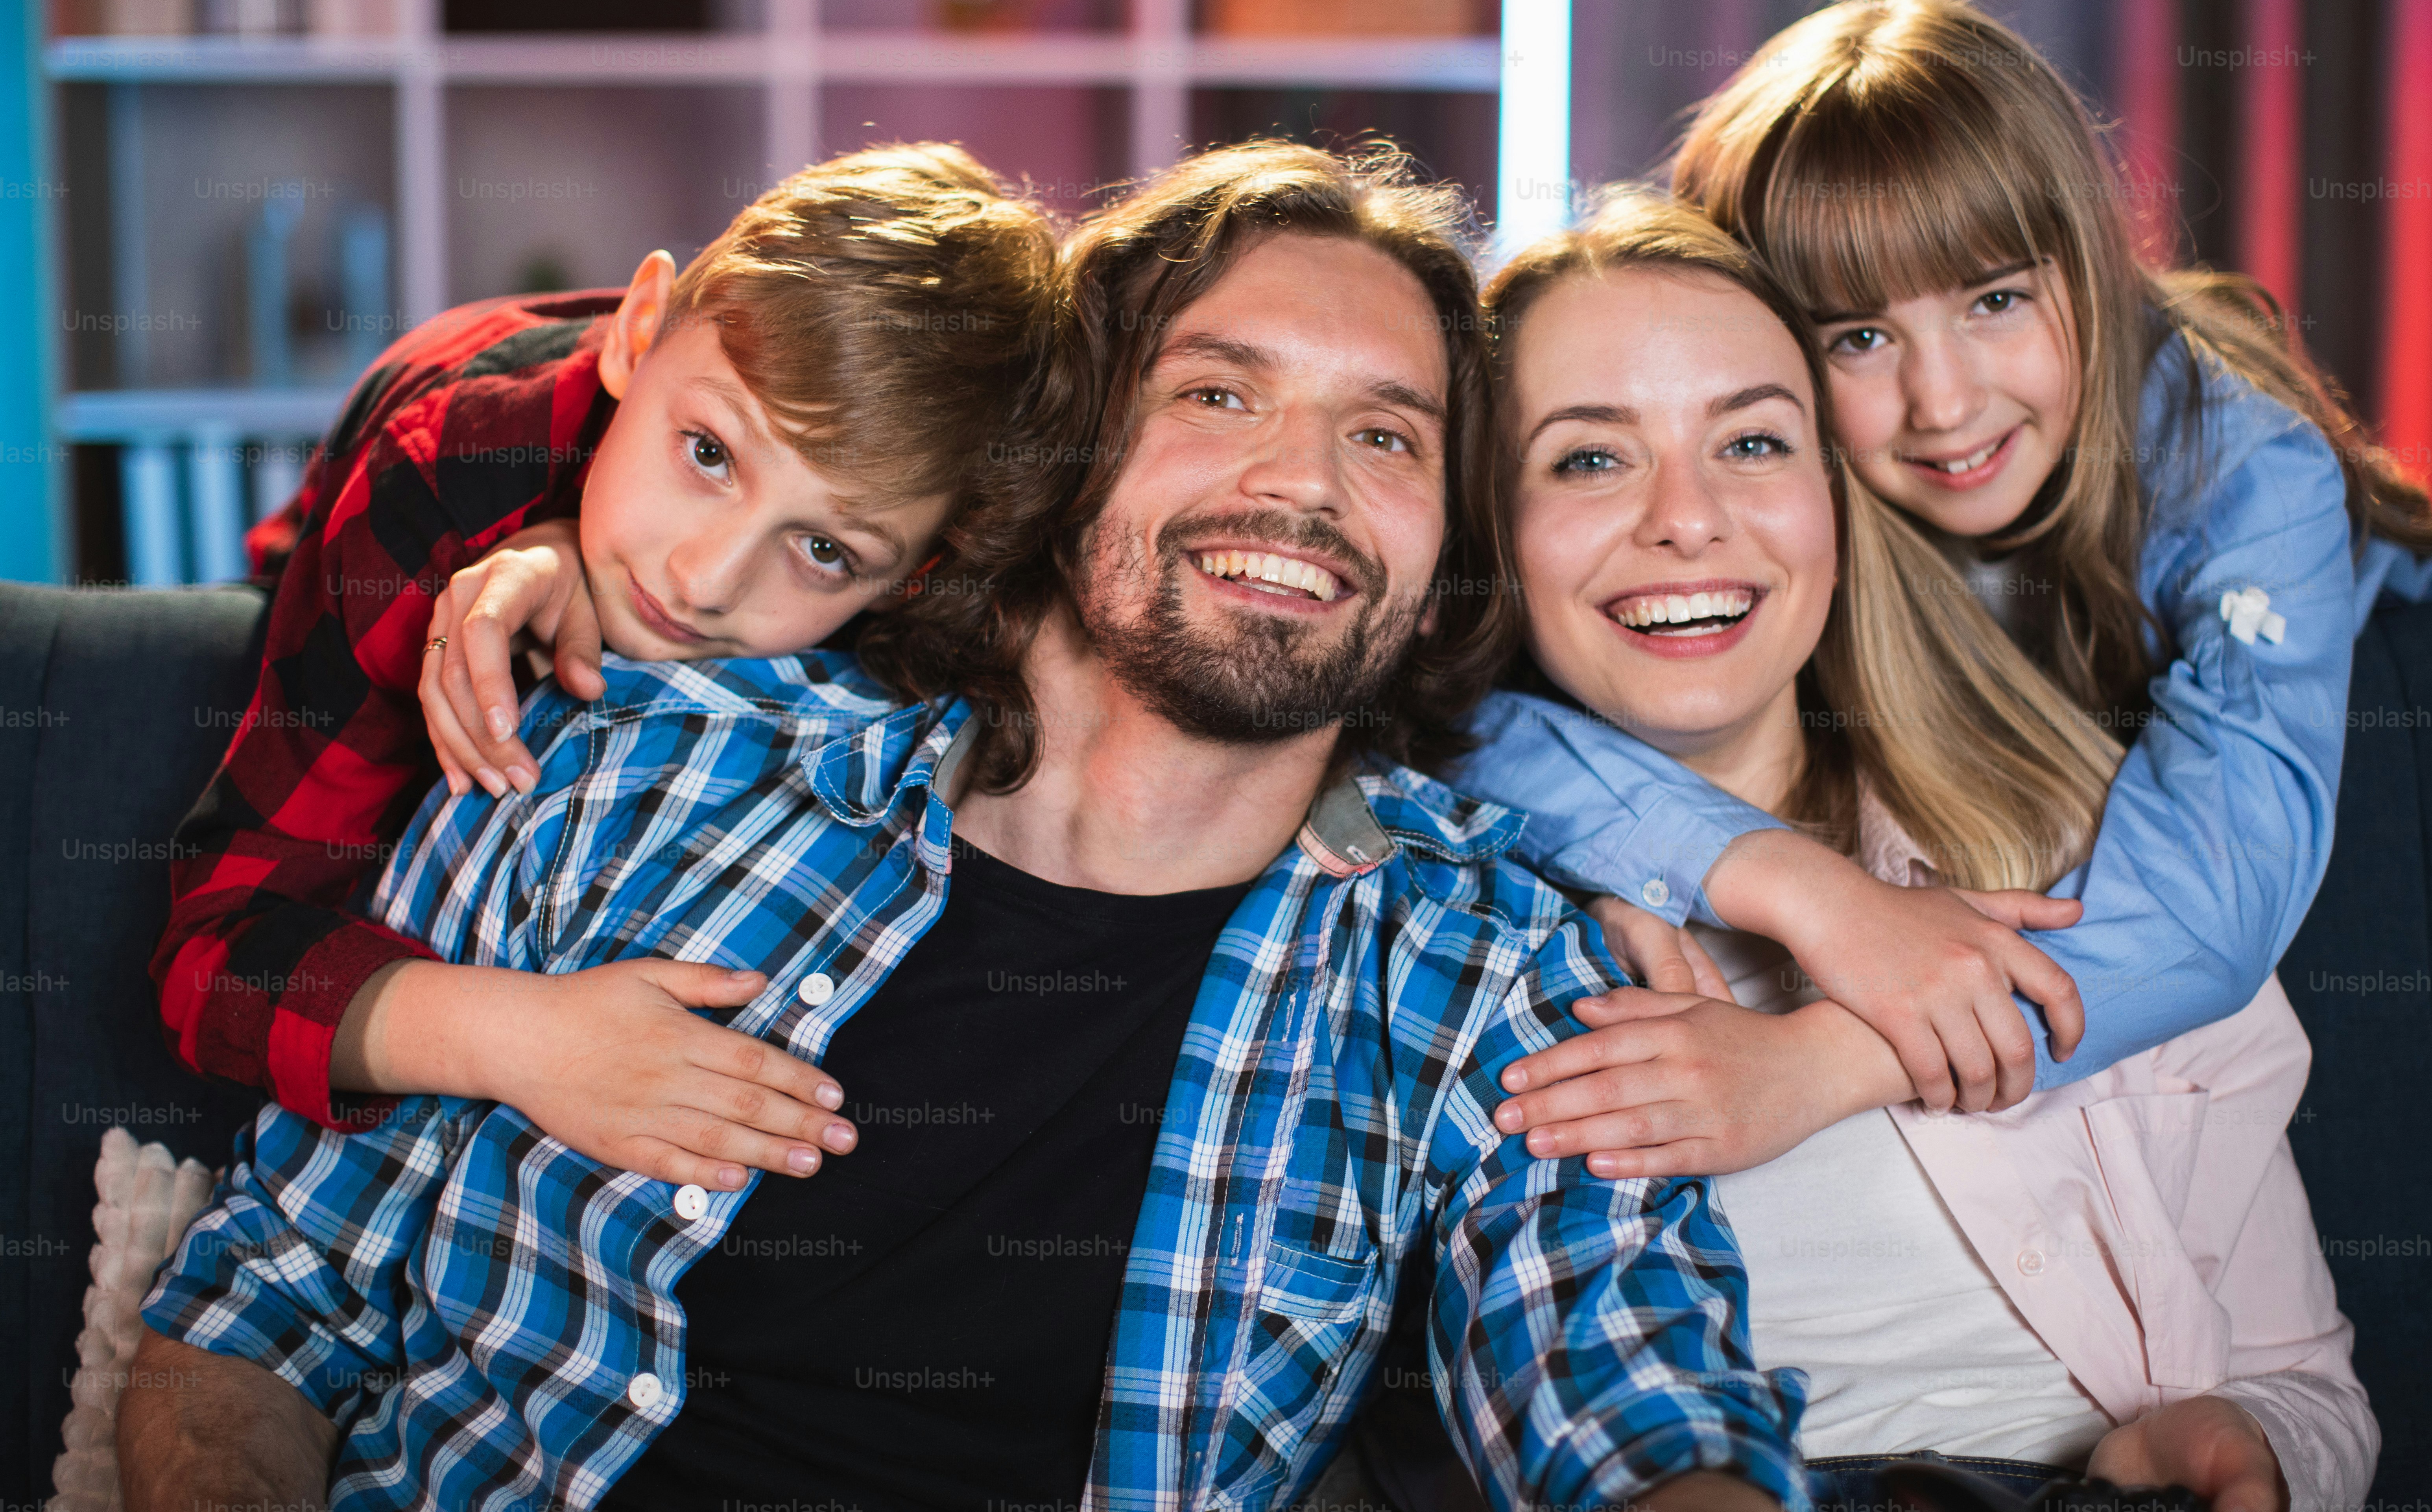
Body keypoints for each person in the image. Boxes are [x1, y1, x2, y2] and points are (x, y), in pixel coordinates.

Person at [118, 143, 1807, 1512]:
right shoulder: (638, 769)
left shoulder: (1481, 964)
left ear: (1446, 549)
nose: (1300, 482)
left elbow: (1632, 1386)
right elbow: (268, 1308)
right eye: (1219, 395)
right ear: (1056, 461)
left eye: (1385, 434)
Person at [1449, 192, 2371, 1512]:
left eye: (1754, 442)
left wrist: (2249, 1441)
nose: (1688, 519)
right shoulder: (1433, 906)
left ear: (1835, 498)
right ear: (1486, 527)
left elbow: (2308, 1384)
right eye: (1591, 460)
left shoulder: (2084, 845)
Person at [1453, 0, 2432, 1160]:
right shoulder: (1774, 508)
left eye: (1995, 300)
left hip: (2353, 744)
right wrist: (1765, 880)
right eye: (1860, 337)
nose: (1944, 403)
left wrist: (1825, 1059)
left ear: (2086, 269)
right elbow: (1458, 718)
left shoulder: (2244, 466)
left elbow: (2210, 903)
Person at [149, 143, 1070, 1193]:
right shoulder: (437, 479)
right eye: (711, 453)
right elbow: (214, 959)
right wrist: (529, 1042)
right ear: (640, 333)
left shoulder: (921, 582)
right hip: (334, 566)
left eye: (825, 551)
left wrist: (564, 544)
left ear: (916, 575)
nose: (703, 579)